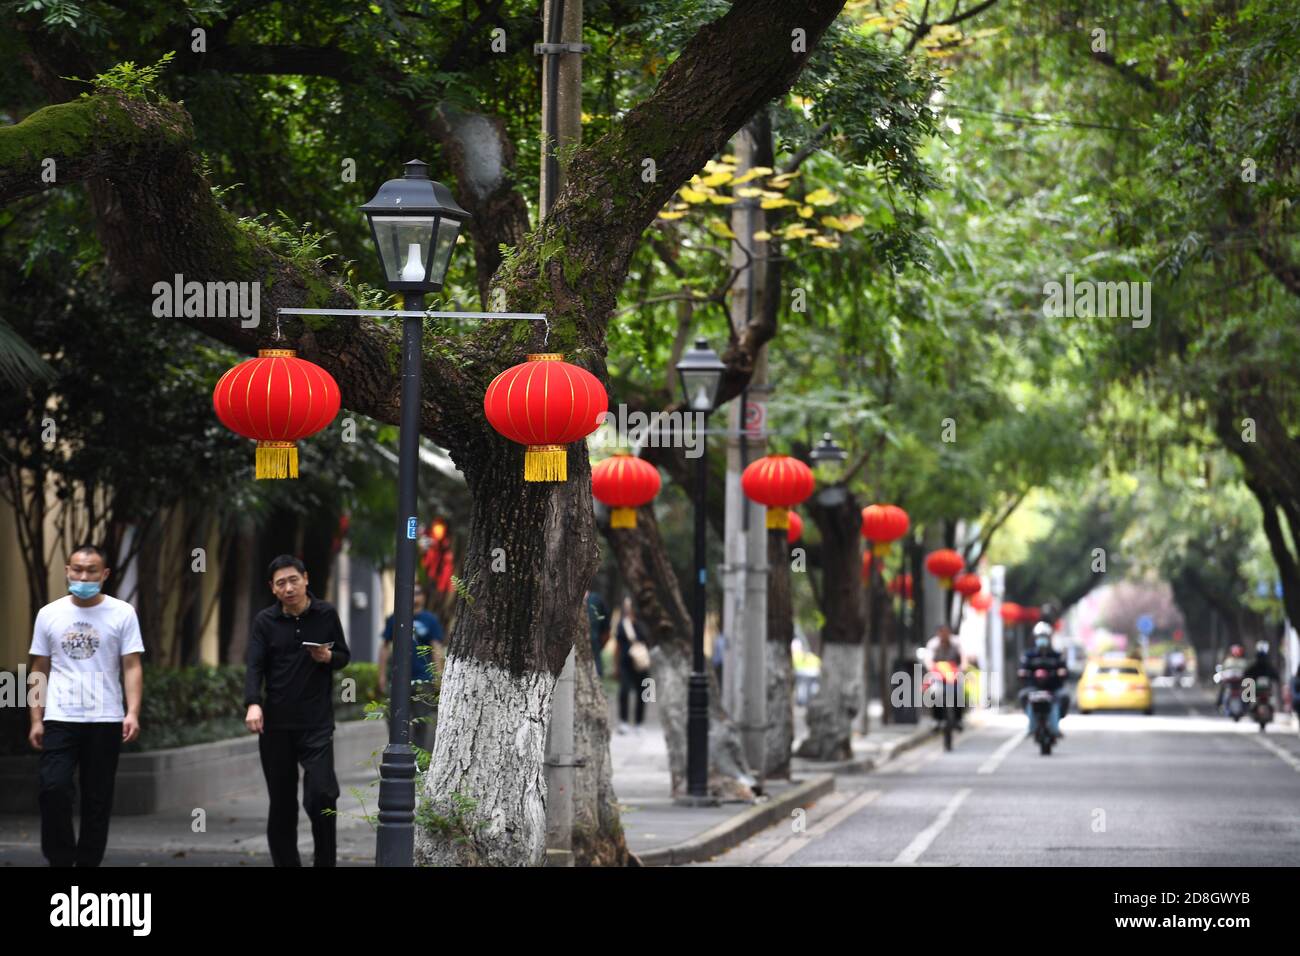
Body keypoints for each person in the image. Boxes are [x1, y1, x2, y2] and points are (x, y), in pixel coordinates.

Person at [27, 544, 143, 867]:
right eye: (77, 569)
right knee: (53, 789)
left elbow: (132, 665)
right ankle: (61, 860)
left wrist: (132, 712)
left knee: (97, 799)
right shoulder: (49, 614)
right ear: (67, 571)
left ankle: (88, 863)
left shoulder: (123, 613)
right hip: (60, 717)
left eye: (91, 571)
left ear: (104, 574)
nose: (83, 576)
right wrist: (36, 718)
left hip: (105, 718)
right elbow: (39, 668)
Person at [244, 555, 351, 867]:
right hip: (276, 726)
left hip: (316, 723)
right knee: (281, 804)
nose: (288, 587)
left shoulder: (326, 613)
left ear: (306, 579)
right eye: (281, 583)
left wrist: (328, 657)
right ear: (273, 589)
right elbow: (254, 666)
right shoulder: (265, 621)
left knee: (322, 796)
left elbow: (343, 655)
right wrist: (253, 702)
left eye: (293, 580)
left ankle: (324, 862)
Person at [378, 587, 444, 754]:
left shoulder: (430, 619)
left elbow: (436, 648)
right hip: (398, 679)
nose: (415, 597)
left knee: (423, 721)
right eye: (412, 593)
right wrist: (381, 676)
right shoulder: (394, 618)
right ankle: (399, 752)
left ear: (423, 596)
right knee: (394, 718)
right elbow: (384, 647)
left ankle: (419, 760)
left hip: (424, 679)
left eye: (419, 593)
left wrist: (438, 675)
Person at [1018, 622, 1068, 740]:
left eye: (1044, 637)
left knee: (1064, 696)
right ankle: (1032, 724)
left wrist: (1061, 673)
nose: (1042, 640)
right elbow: (1022, 669)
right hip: (1034, 688)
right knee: (1023, 695)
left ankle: (1056, 723)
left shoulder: (1056, 655)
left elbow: (1064, 670)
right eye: (1040, 637)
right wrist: (1024, 673)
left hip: (1053, 688)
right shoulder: (1029, 656)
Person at [614, 596, 650, 734]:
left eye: (629, 605)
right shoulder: (621, 625)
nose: (627, 608)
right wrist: (616, 665)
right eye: (625, 606)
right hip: (625, 663)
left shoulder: (642, 624)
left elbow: (648, 642)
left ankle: (639, 723)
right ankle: (624, 722)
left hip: (641, 664)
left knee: (644, 694)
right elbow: (617, 645)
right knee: (624, 691)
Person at [923, 624, 964, 729]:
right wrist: (932, 669)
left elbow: (963, 658)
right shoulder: (933, 644)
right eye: (942, 633)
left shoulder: (956, 643)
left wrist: (962, 668)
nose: (944, 635)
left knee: (959, 692)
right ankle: (936, 719)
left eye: (946, 632)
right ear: (938, 634)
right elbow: (929, 661)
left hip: (953, 674)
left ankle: (959, 719)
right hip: (938, 675)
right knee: (934, 693)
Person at [586, 590, 611, 677]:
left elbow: (605, 619)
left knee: (596, 670)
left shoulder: (595, 600)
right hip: (591, 640)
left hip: (594, 640)